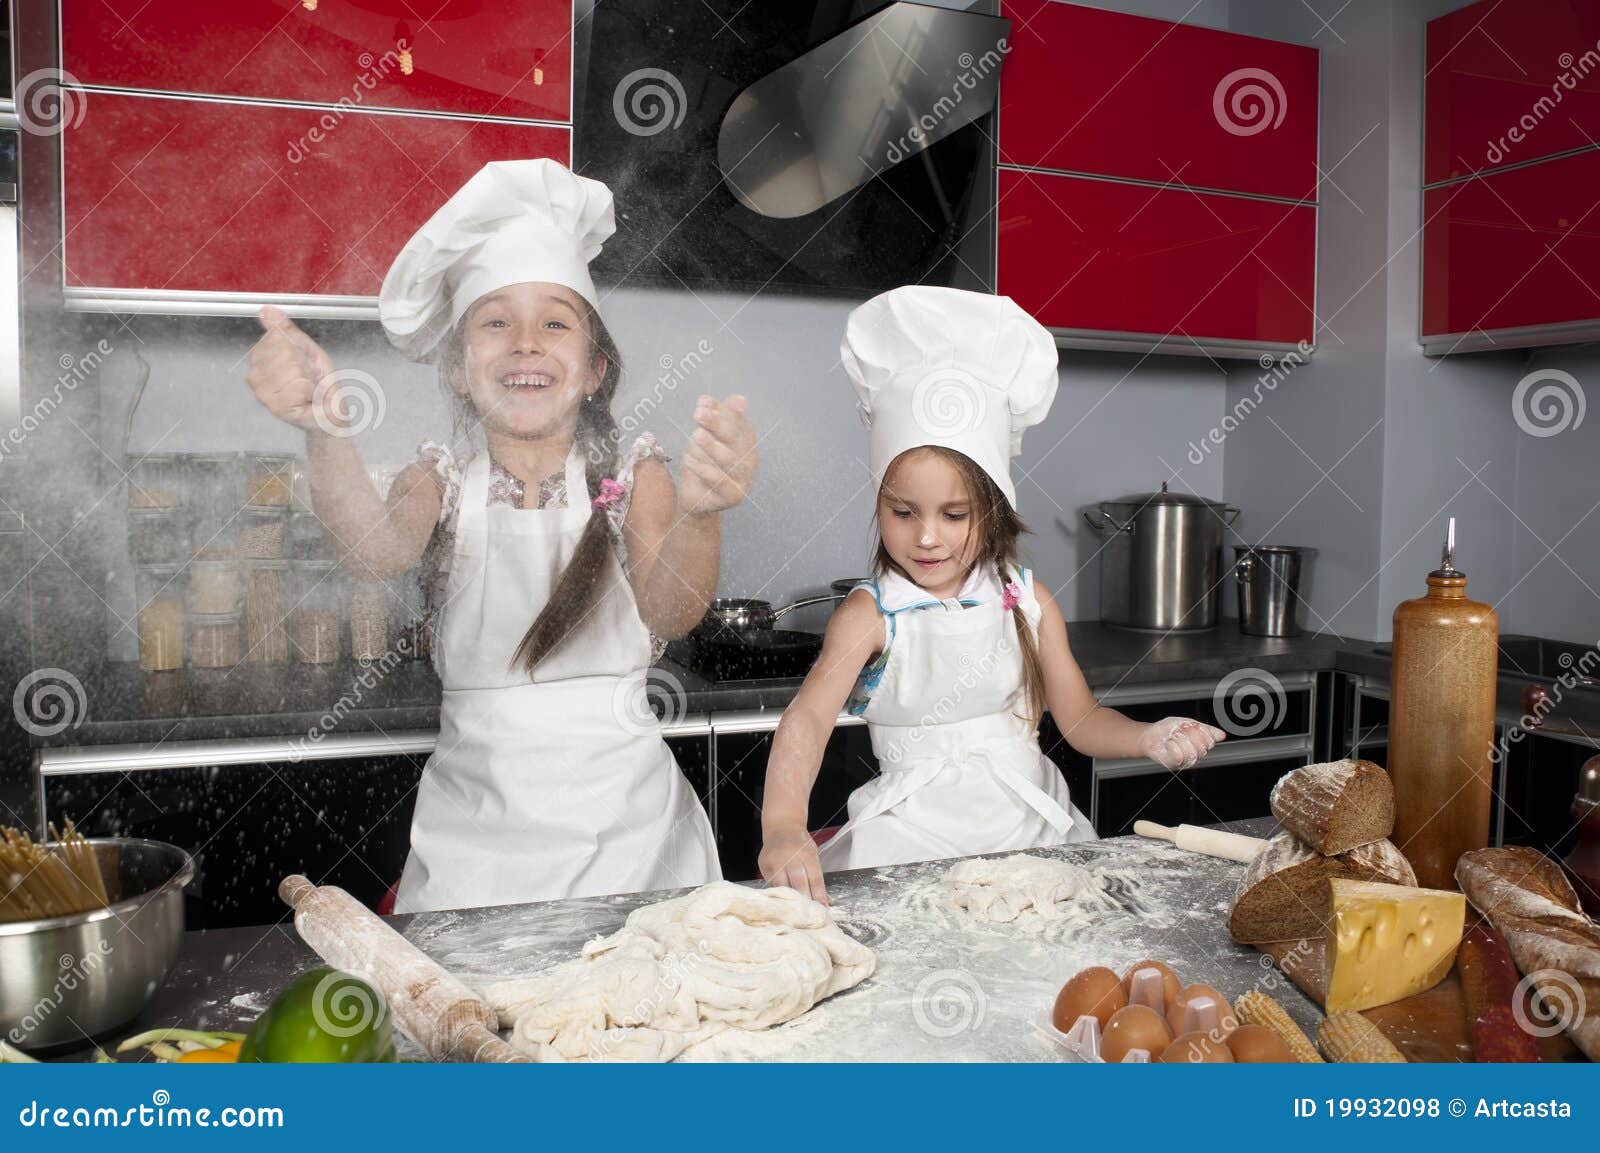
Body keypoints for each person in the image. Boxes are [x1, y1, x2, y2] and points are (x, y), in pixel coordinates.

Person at [246, 159, 756, 912]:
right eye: (495, 321)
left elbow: (670, 611)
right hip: (475, 844)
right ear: (458, 368)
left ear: (593, 369)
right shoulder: (440, 480)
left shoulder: (635, 478)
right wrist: (324, 431)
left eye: (556, 321)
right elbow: (369, 551)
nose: (525, 342)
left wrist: (703, 512)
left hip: (633, 840)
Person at [758, 286, 1224, 903]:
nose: (927, 537)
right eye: (902, 512)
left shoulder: (1029, 603)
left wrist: (1146, 736)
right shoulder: (872, 613)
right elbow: (810, 720)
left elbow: (1080, 719)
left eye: (955, 514)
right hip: (906, 841)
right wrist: (783, 827)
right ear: (879, 504)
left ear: (996, 511)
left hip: (1030, 834)